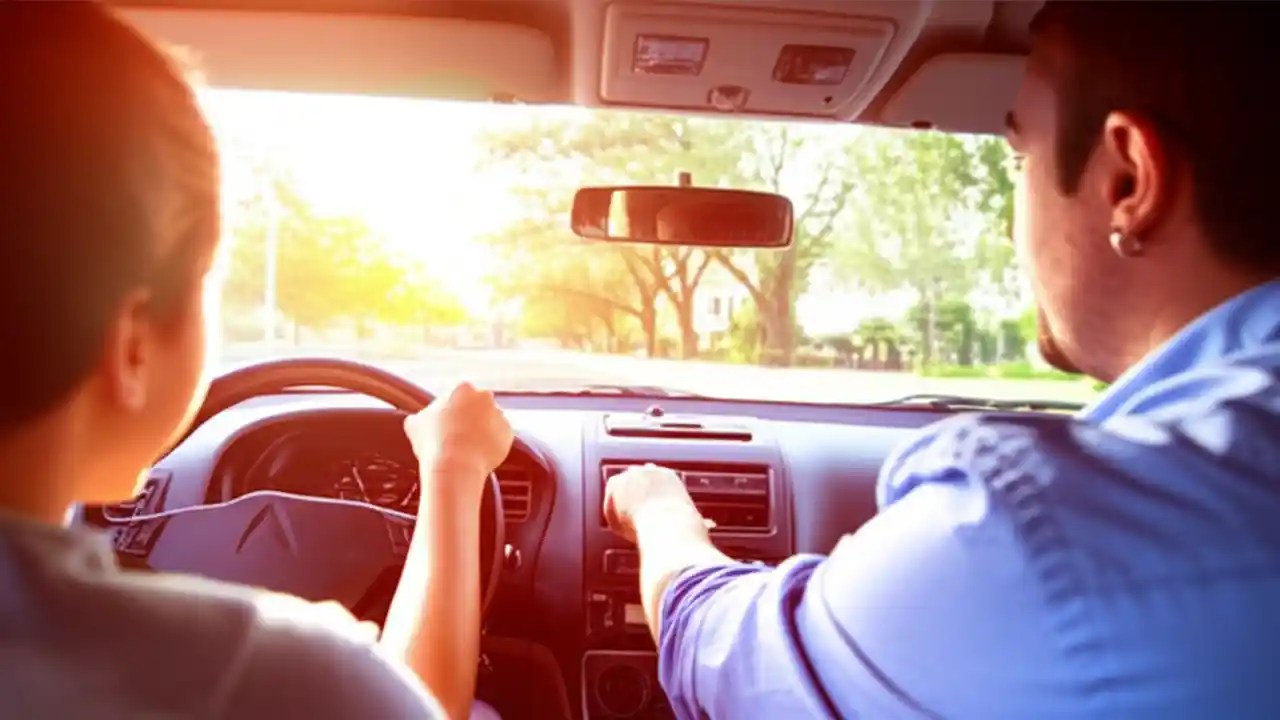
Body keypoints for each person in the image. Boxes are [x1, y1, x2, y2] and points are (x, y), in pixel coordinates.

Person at [605, 3, 1280, 718]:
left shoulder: (1043, 531)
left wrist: (661, 514)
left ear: (1128, 182)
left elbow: (728, 660)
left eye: (1019, 159)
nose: (1007, 219)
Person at [0, 5, 508, 719]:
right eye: (211, 280)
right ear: (134, 346)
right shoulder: (265, 678)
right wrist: (454, 472)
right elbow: (425, 705)